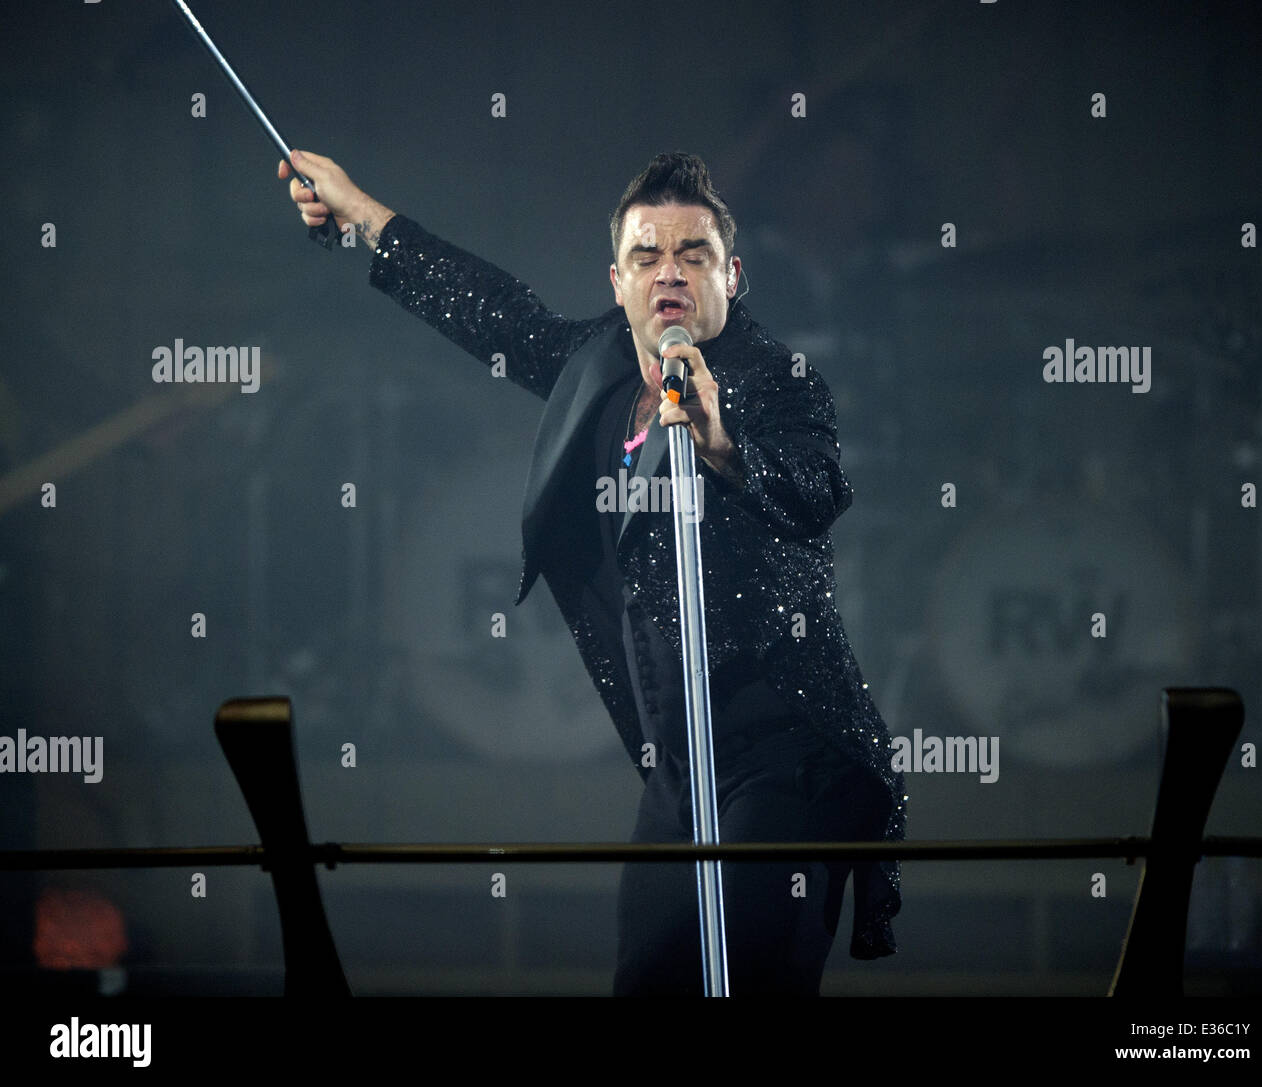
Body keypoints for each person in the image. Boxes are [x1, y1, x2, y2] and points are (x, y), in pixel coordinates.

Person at [277, 149, 907, 995]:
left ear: (733, 275)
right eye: (647, 256)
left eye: (694, 254)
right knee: (647, 979)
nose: (670, 273)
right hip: (681, 767)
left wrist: (720, 440)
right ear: (618, 281)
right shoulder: (597, 369)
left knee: (753, 976)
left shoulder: (780, 381)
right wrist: (358, 212)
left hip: (787, 749)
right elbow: (493, 312)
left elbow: (819, 491)